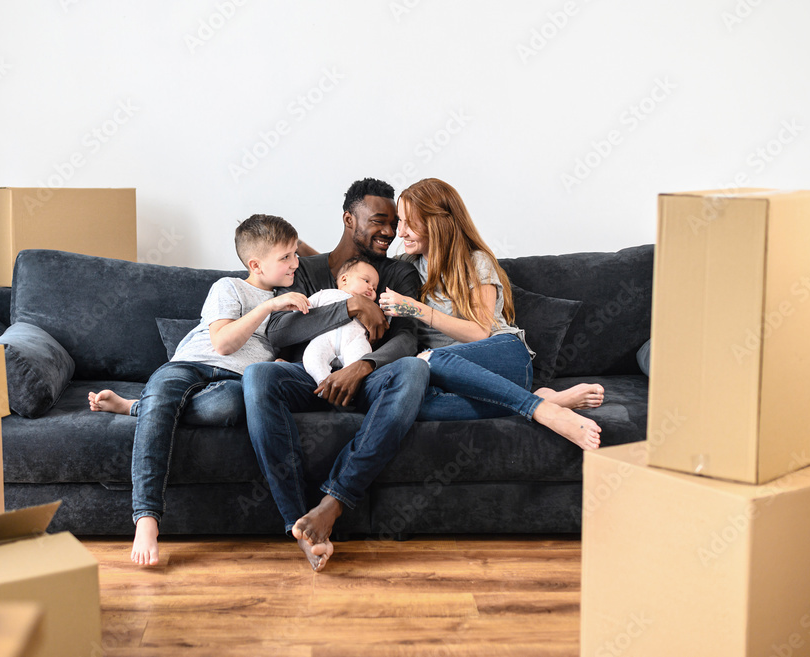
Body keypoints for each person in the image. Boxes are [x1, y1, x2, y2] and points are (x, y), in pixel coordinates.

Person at [91, 214, 311, 566]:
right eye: (285, 257)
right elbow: (223, 343)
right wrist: (268, 305)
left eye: (296, 254)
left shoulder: (294, 298)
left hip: (233, 382)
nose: (295, 263)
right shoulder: (230, 287)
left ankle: (139, 407)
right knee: (164, 394)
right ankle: (146, 518)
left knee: (228, 408)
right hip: (189, 363)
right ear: (255, 265)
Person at [243, 178, 430, 572]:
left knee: (413, 370)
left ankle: (332, 505)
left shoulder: (398, 274)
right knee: (259, 377)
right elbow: (279, 332)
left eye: (393, 223)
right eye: (379, 220)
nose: (390, 232)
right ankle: (300, 526)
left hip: (372, 379)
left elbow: (407, 340)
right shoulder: (304, 269)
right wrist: (350, 308)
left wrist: (362, 367)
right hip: (308, 377)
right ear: (349, 219)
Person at [378, 177, 604, 450]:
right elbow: (352, 275)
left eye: (409, 222)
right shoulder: (405, 267)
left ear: (438, 223)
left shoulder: (476, 262)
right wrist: (310, 264)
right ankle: (544, 402)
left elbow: (480, 331)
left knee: (427, 361)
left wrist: (418, 309)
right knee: (415, 403)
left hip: (502, 357)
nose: (399, 233)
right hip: (454, 379)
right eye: (399, 222)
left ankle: (551, 414)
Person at [302, 257, 379, 385]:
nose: (371, 288)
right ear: (344, 279)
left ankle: (348, 383)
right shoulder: (327, 294)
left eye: (375, 288)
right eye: (366, 280)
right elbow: (307, 305)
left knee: (361, 355)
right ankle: (323, 382)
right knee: (312, 357)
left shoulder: (370, 308)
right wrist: (299, 304)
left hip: (354, 341)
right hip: (324, 339)